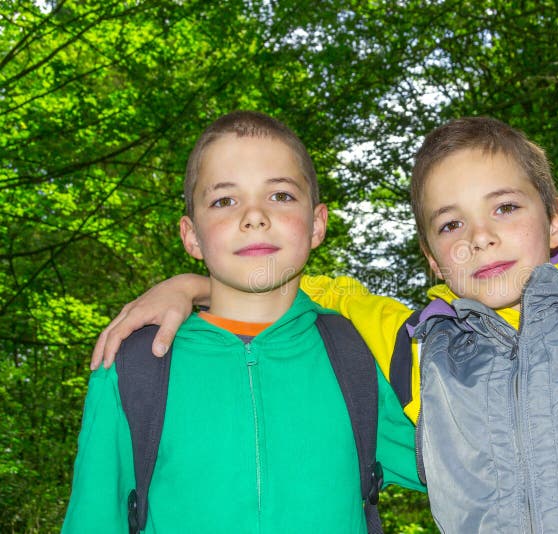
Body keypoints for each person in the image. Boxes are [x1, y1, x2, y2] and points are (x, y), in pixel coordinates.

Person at [90, 118, 558, 531]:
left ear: (556, 220)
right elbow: (289, 279)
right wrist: (191, 285)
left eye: (505, 209)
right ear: (432, 256)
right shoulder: (424, 359)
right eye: (452, 224)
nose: (482, 238)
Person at [62, 111, 424, 533]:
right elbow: (92, 518)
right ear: (191, 235)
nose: (254, 216)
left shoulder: (356, 356)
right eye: (224, 201)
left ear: (318, 223)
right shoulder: (133, 367)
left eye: (281, 196)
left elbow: (469, 465)